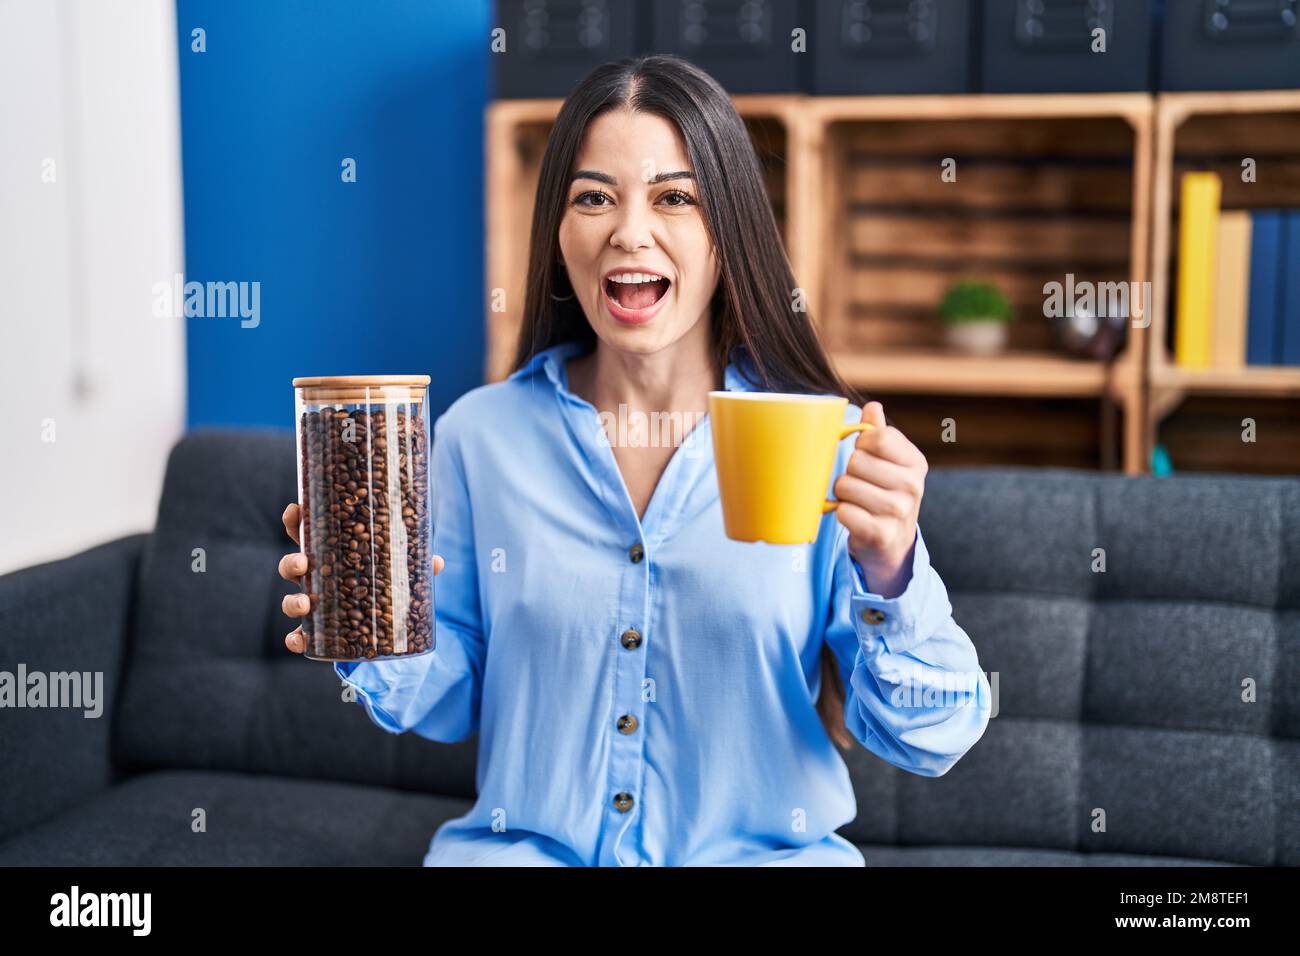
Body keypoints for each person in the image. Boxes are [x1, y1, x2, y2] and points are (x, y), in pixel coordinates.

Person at [278, 54, 991, 866]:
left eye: (674, 198)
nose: (629, 231)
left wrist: (892, 572)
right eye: (593, 197)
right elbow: (451, 697)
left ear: (728, 234)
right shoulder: (482, 437)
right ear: (559, 231)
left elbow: (934, 735)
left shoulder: (822, 441)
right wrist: (369, 622)